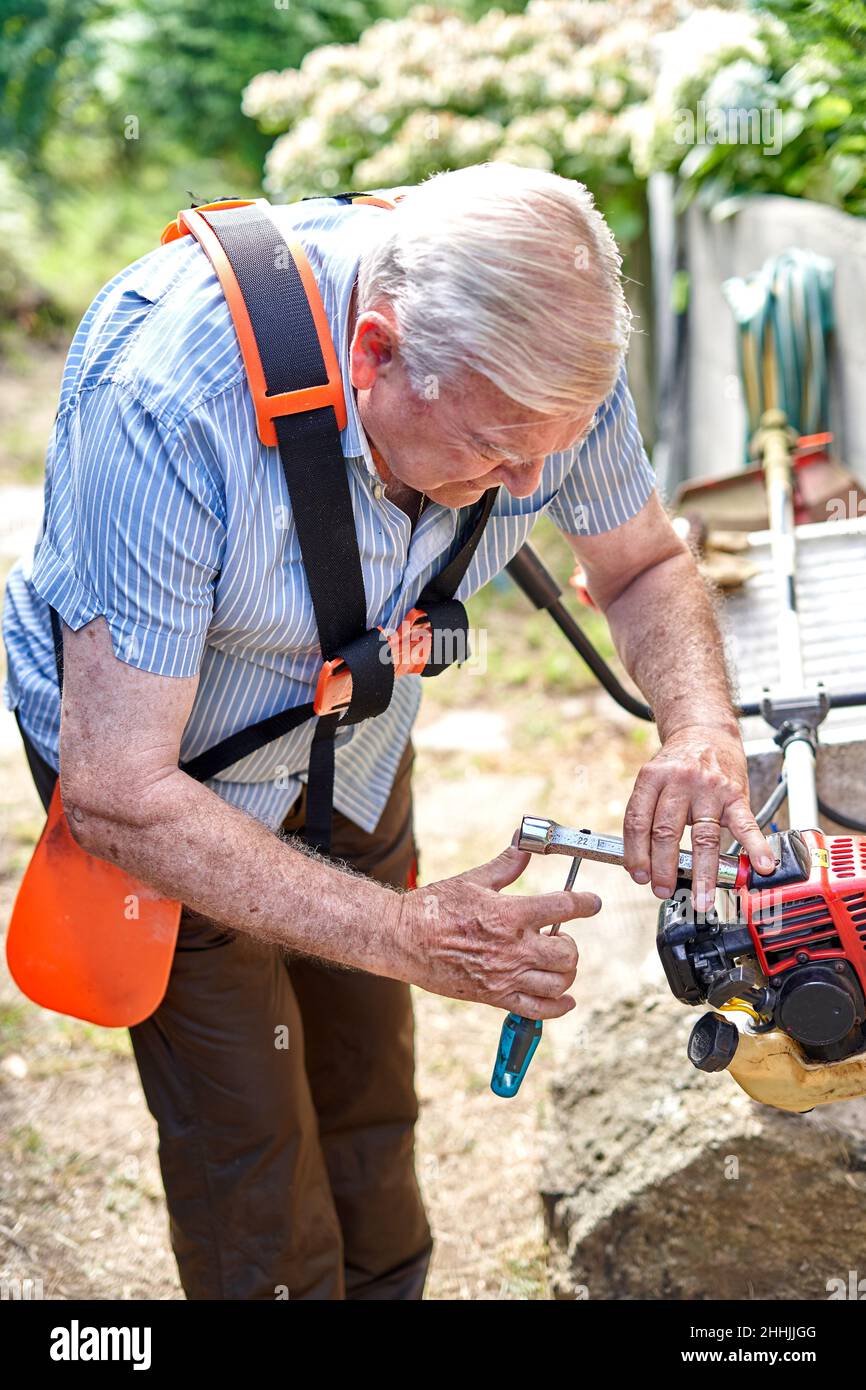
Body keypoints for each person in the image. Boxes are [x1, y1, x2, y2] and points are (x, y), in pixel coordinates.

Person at [2, 162, 776, 1300]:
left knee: (368, 1072)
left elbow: (644, 563)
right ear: (372, 354)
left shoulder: (544, 360)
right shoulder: (165, 392)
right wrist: (406, 933)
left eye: (547, 453)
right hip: (170, 784)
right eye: (494, 453)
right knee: (247, 1135)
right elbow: (124, 790)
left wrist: (700, 729)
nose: (528, 486)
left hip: (350, 740)